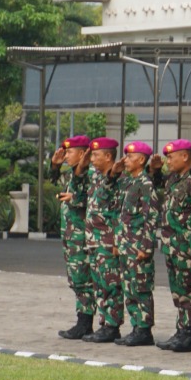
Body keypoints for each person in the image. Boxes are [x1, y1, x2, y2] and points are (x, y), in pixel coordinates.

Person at [155, 139, 191, 353]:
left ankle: (190, 333)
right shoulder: (173, 179)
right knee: (178, 290)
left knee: (190, 289)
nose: (168, 161)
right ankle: (182, 329)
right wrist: (156, 170)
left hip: (185, 246)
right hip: (171, 245)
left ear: (185, 156)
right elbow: (157, 183)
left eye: (171, 157)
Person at [114, 141, 159, 347]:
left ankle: (144, 329)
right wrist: (118, 241)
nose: (126, 160)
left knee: (141, 288)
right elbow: (121, 216)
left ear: (141, 160)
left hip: (138, 245)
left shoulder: (146, 184)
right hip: (126, 244)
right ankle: (135, 326)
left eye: (130, 157)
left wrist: (146, 246)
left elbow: (151, 216)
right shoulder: (127, 182)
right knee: (129, 287)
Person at [81, 136, 123, 344]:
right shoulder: (95, 175)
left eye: (96, 154)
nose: (93, 158)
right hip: (94, 240)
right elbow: (77, 174)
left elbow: (117, 212)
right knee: (99, 283)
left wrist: (116, 241)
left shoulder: (117, 178)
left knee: (111, 284)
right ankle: (104, 323)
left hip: (107, 240)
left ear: (108, 156)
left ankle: (112, 326)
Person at [53, 135, 95, 339]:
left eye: (70, 152)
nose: (66, 156)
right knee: (76, 279)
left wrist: (75, 198)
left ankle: (85, 322)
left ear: (82, 153)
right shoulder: (72, 173)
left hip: (83, 235)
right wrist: (54, 166)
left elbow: (97, 199)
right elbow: (54, 180)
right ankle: (83, 319)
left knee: (84, 279)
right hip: (71, 234)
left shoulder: (92, 173)